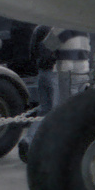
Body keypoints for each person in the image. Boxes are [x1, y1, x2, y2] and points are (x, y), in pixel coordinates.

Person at [18, 25, 90, 162]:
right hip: (57, 74)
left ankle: (28, 140)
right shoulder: (62, 28)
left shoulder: (39, 28)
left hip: (42, 74)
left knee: (44, 111)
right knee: (58, 113)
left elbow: (32, 52)